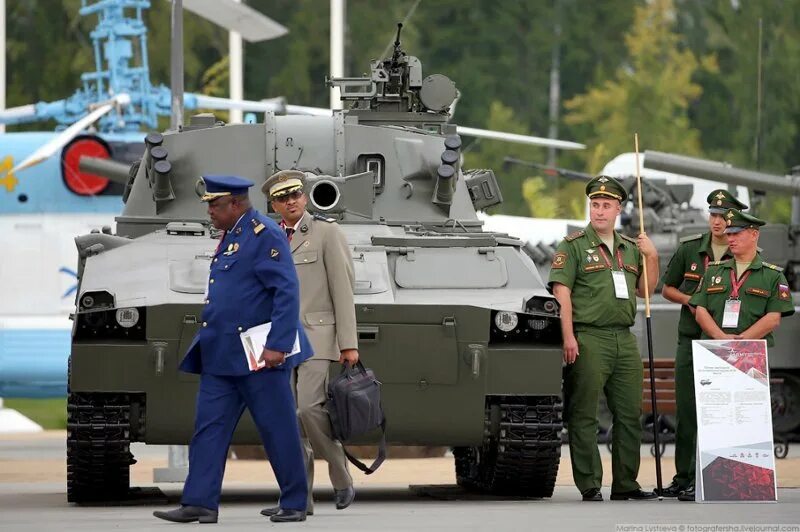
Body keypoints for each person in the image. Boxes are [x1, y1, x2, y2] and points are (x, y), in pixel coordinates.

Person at [153, 175, 313, 524]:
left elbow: (286, 291)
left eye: (215, 204)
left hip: (260, 357)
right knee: (208, 430)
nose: (209, 211)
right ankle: (200, 502)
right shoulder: (231, 235)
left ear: (236, 204)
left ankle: (295, 501)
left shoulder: (264, 234)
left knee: (278, 429)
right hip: (221, 355)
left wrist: (279, 345)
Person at [548, 175, 659, 502]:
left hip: (623, 340)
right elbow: (561, 293)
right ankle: (590, 484)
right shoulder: (573, 246)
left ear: (618, 209)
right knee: (584, 414)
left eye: (606, 205)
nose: (599, 211)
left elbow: (645, 291)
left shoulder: (629, 247)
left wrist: (652, 257)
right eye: (595, 205)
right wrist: (568, 336)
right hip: (588, 337)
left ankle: (626, 484)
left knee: (629, 414)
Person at [259, 170, 359, 516]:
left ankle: (341, 476)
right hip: (277, 341)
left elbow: (343, 289)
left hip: (316, 337)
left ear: (304, 197)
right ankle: (299, 499)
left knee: (307, 408)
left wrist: (348, 343)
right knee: (287, 420)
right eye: (283, 198)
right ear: (273, 204)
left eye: (296, 195)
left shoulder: (326, 232)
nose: (291, 202)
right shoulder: (268, 237)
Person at [686, 208, 795, 500]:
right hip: (717, 357)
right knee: (717, 418)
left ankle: (750, 483)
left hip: (752, 357)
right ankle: (716, 482)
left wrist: (743, 341)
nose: (730, 238)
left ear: (754, 235)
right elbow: (700, 311)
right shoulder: (714, 272)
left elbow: (774, 317)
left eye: (736, 233)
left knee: (747, 420)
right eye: (729, 234)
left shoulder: (772, 276)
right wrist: (722, 339)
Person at [658, 189, 748, 499]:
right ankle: (684, 477)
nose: (717, 221)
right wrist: (693, 301)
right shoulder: (690, 249)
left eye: (723, 216)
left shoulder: (744, 252)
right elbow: (667, 288)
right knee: (687, 411)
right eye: (713, 215)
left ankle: (723, 476)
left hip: (729, 341)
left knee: (728, 412)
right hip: (692, 338)